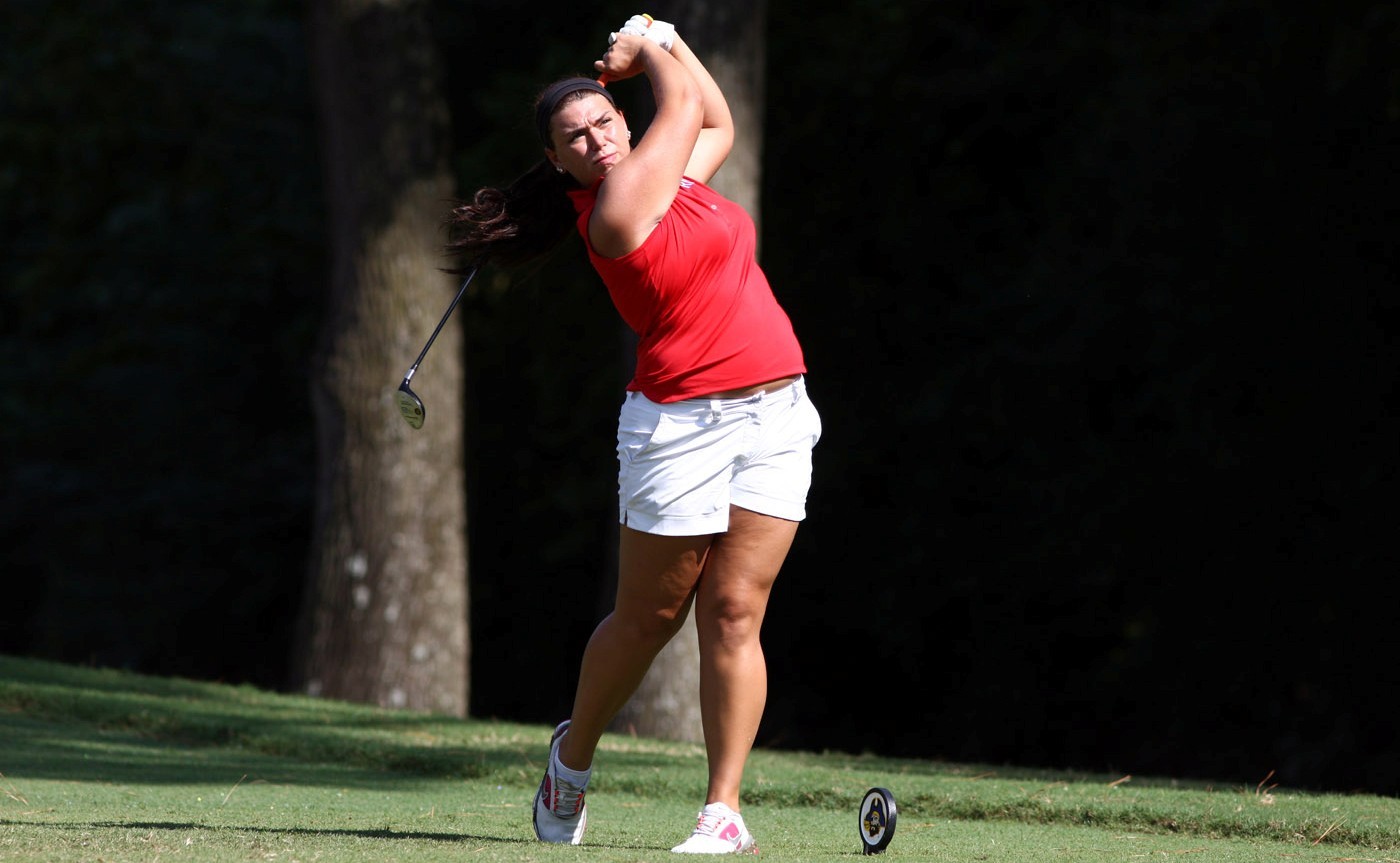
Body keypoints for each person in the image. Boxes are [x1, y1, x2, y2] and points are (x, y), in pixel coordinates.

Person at [444, 13, 821, 855]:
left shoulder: (672, 181)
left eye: (603, 120)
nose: (594, 138)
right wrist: (647, 50)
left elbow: (715, 119)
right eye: (573, 136)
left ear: (621, 122)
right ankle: (570, 761)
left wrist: (669, 37)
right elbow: (682, 107)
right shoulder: (615, 210)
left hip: (777, 412)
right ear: (558, 160)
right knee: (650, 616)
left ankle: (722, 810)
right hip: (680, 425)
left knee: (733, 613)